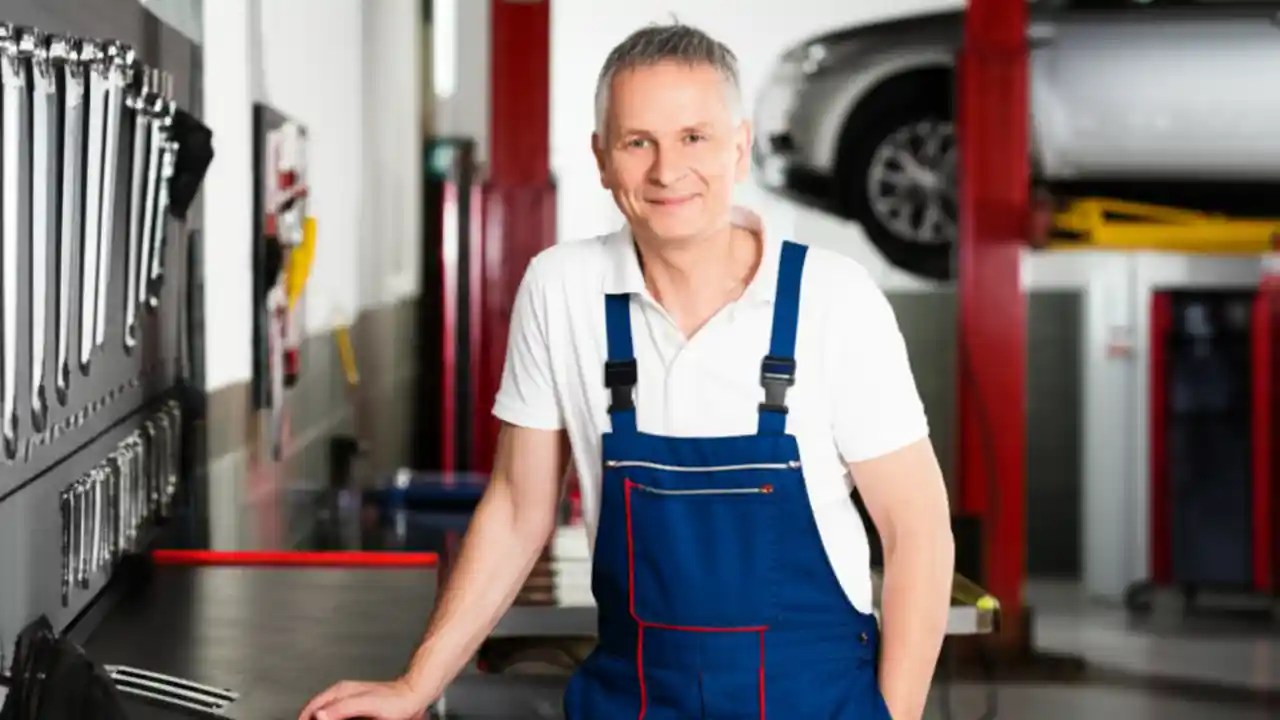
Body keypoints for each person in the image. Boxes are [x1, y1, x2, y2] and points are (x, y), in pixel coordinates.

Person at [299, 22, 954, 720]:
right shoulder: (562, 290)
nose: (668, 171)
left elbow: (916, 530)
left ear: (739, 147)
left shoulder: (834, 299)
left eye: (694, 137)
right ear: (602, 158)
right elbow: (518, 509)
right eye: (638, 142)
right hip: (635, 701)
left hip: (815, 701)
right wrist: (416, 686)